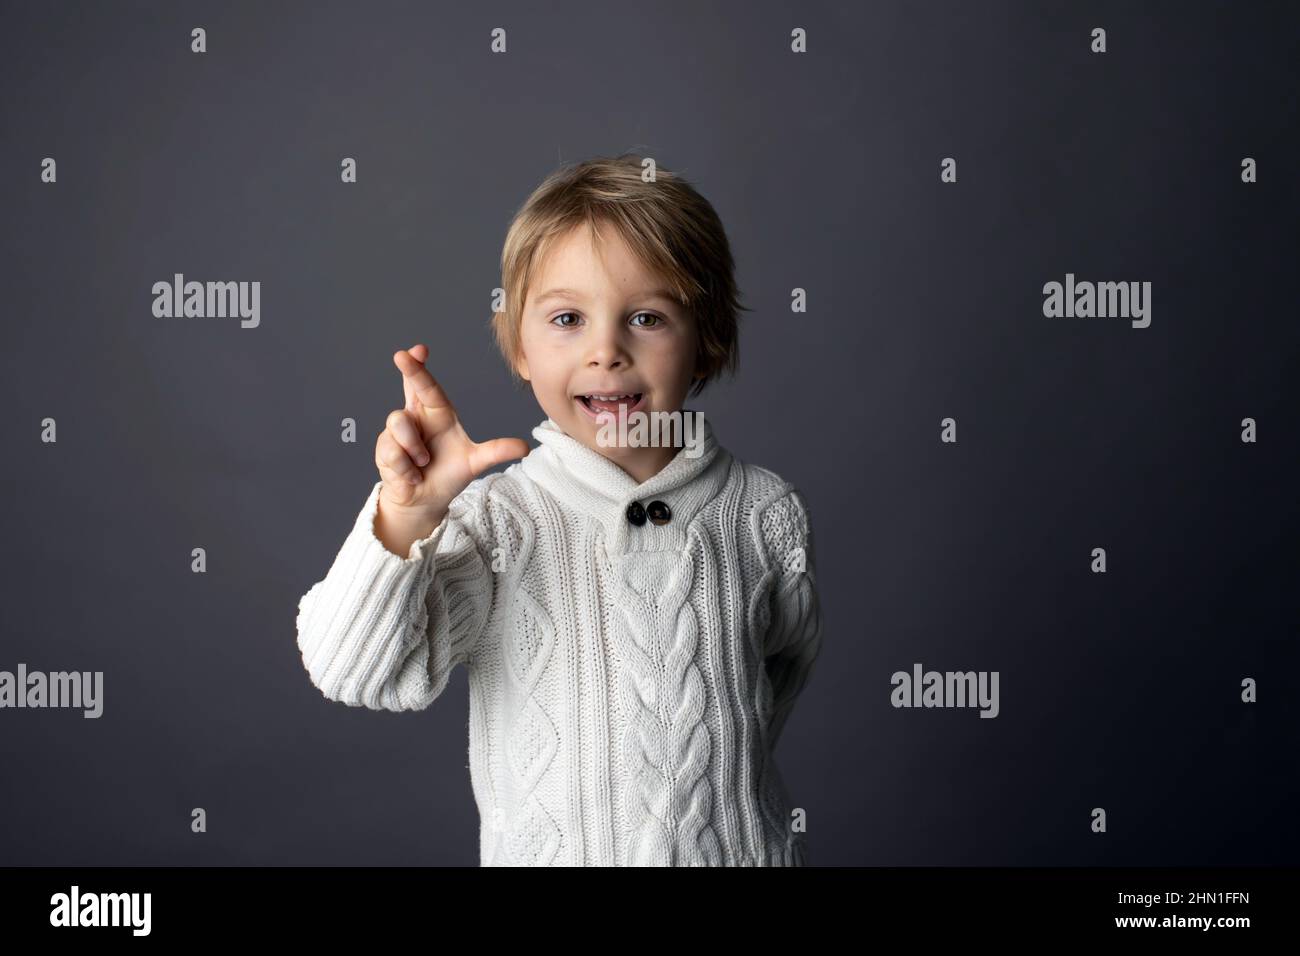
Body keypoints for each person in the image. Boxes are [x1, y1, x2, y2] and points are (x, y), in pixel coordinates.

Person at [295, 153, 823, 866]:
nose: (606, 351)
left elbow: (774, 686)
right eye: (567, 318)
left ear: (708, 342)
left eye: (646, 317)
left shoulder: (764, 515)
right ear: (519, 345)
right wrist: (407, 516)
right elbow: (354, 671)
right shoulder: (497, 525)